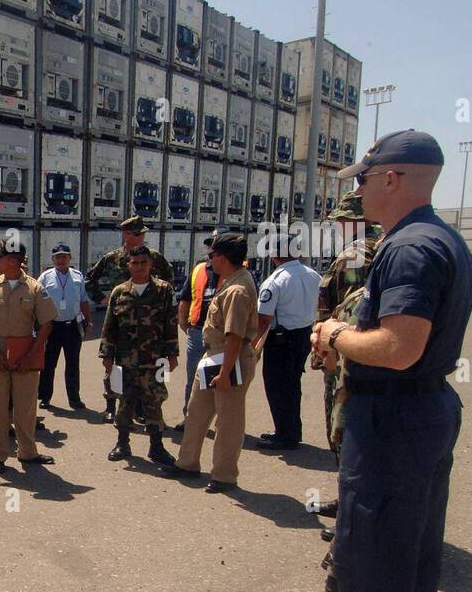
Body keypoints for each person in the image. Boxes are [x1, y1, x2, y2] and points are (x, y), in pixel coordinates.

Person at [287, 129, 472, 592]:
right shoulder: (442, 238)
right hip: (424, 411)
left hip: (392, 414)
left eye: (364, 181)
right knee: (413, 546)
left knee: (372, 549)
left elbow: (398, 347)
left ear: (392, 178)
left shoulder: (409, 248)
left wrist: (335, 335)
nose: (359, 193)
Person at [161, 233, 259, 493]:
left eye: (212, 255)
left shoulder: (237, 289)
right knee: (196, 412)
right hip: (215, 356)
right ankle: (187, 463)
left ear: (223, 258)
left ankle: (224, 476)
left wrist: (225, 373)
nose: (209, 260)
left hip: (229, 358)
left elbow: (235, 336)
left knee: (228, 421)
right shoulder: (230, 280)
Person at [308, 192, 380, 518]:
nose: (337, 225)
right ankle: (348, 502)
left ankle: (352, 515)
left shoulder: (356, 254)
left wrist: (328, 352)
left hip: (345, 359)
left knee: (342, 433)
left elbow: (348, 310)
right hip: (366, 359)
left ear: (354, 219)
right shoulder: (384, 246)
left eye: (340, 220)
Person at [0, 239, 57, 473]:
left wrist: (31, 355)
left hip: (26, 349)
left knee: (25, 407)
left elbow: (47, 324)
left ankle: (27, 452)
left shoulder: (35, 288)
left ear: (12, 260)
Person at [86, 217, 175, 421]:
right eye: (136, 234)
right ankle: (111, 405)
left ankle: (145, 410)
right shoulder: (112, 258)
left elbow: (169, 278)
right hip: (121, 323)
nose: (141, 237)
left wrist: (159, 300)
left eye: (142, 234)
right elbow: (89, 279)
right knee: (115, 367)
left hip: (150, 326)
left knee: (152, 371)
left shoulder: (154, 257)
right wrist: (102, 298)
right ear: (125, 234)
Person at [100, 246, 178, 466]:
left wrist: (172, 354)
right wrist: (107, 354)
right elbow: (109, 326)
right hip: (124, 359)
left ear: (151, 264)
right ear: (128, 265)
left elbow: (171, 324)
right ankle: (122, 443)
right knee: (124, 401)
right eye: (135, 263)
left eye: (144, 262)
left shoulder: (164, 290)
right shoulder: (119, 291)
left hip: (156, 359)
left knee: (155, 400)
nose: (139, 266)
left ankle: (156, 447)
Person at [253, 242, 321, 450]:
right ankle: (292, 429)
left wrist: (253, 346)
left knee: (277, 386)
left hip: (281, 339)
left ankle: (284, 435)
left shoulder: (274, 281)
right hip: (304, 335)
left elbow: (264, 319)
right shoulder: (313, 275)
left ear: (274, 255)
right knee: (292, 384)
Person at [176, 233, 224, 429]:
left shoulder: (238, 273)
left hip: (223, 336)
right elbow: (185, 297)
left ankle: (222, 421)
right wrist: (182, 320)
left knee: (222, 379)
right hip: (196, 331)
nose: (211, 252)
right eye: (210, 247)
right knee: (193, 378)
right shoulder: (198, 270)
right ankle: (190, 417)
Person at [37, 243, 93, 410]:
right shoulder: (45, 277)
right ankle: (45, 397)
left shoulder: (77, 276)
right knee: (48, 364)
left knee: (73, 365)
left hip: (72, 327)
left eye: (64, 256)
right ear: (52, 259)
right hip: (52, 327)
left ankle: (74, 399)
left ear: (70, 258)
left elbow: (84, 300)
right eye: (58, 257)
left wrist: (88, 321)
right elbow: (38, 302)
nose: (61, 260)